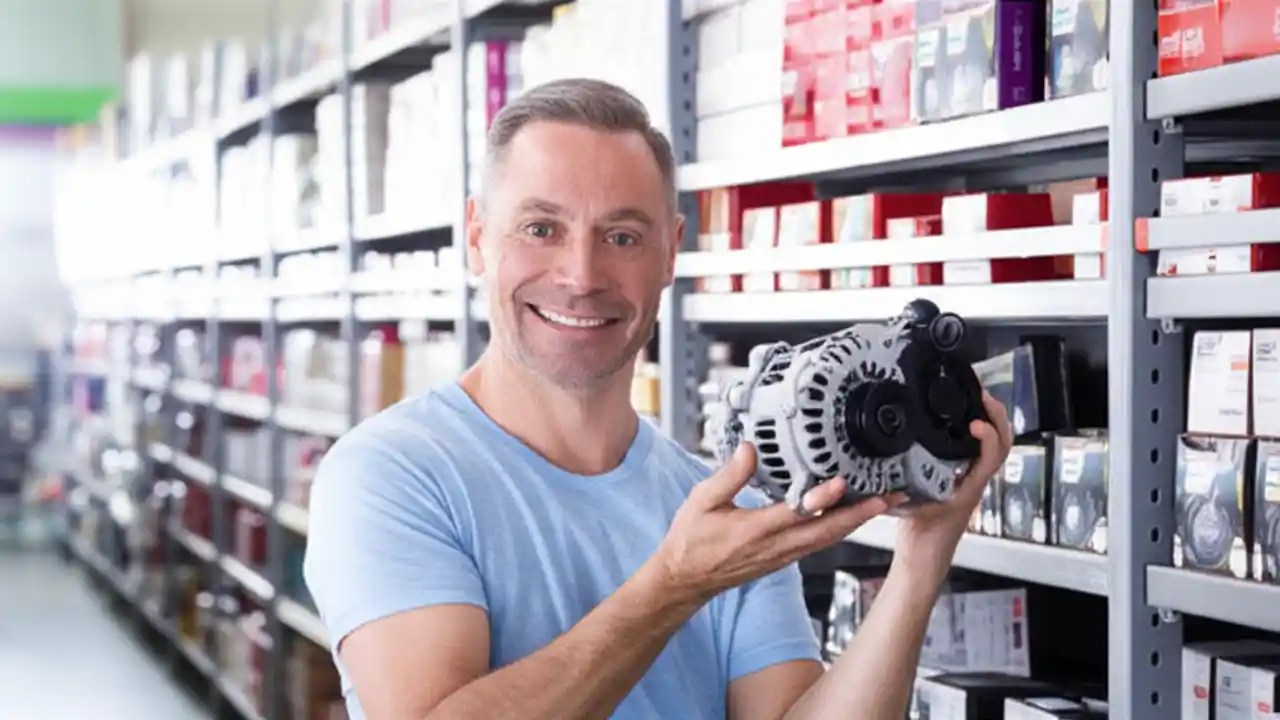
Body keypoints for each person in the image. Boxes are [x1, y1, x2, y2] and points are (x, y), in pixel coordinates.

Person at [303, 78, 1012, 720]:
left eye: (621, 235)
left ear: (670, 253)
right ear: (479, 239)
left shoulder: (722, 508)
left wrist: (923, 552)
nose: (581, 275)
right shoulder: (388, 475)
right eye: (541, 228)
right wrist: (674, 585)